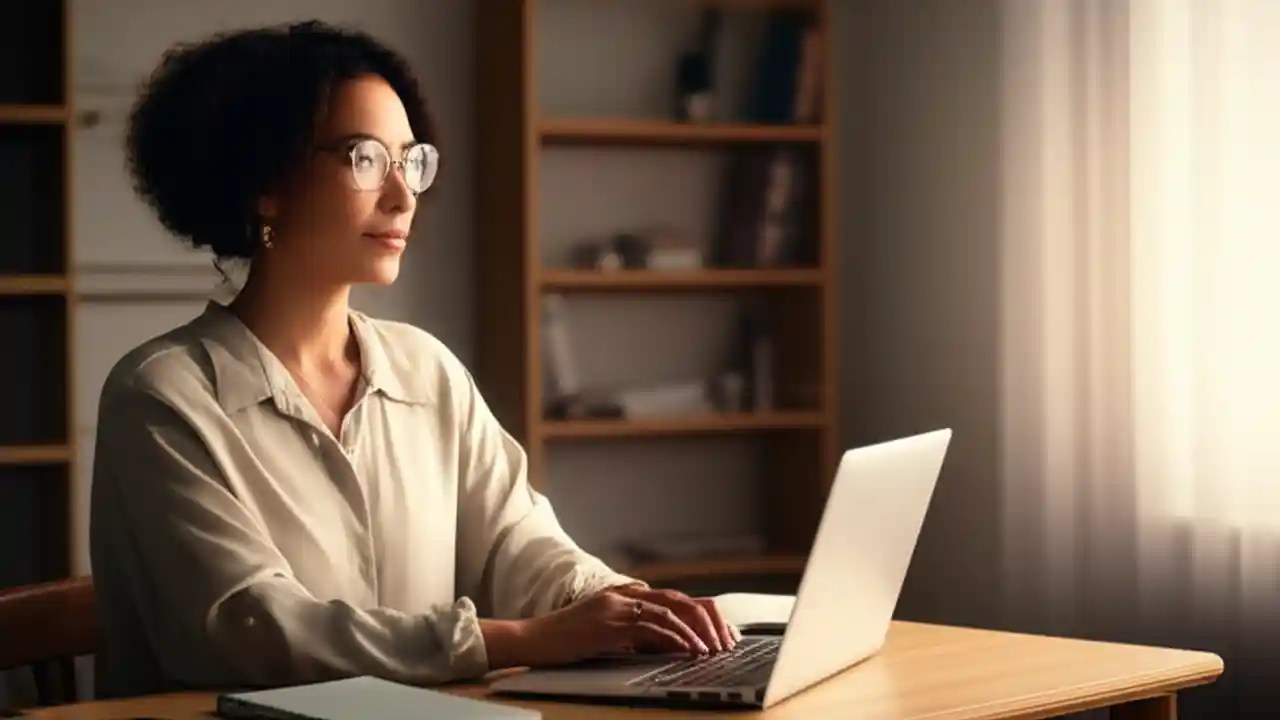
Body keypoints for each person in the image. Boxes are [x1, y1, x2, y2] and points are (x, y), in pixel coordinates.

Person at [88, 20, 736, 699]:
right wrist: (518, 640)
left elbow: (519, 542)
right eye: (365, 159)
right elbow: (251, 629)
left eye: (412, 160)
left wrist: (623, 605)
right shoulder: (160, 397)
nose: (403, 196)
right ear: (264, 181)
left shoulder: (424, 370)